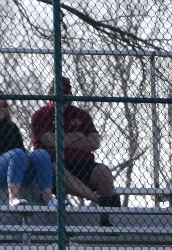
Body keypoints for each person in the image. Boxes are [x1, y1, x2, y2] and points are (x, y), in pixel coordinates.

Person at [30, 77, 120, 207]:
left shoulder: (80, 114)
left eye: (66, 91)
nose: (62, 95)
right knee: (57, 168)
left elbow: (95, 142)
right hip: (53, 168)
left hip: (82, 163)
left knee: (103, 172)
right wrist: (78, 135)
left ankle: (106, 222)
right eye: (57, 91)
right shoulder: (40, 115)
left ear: (71, 95)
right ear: (50, 94)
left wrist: (63, 140)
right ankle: (99, 200)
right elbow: (50, 140)